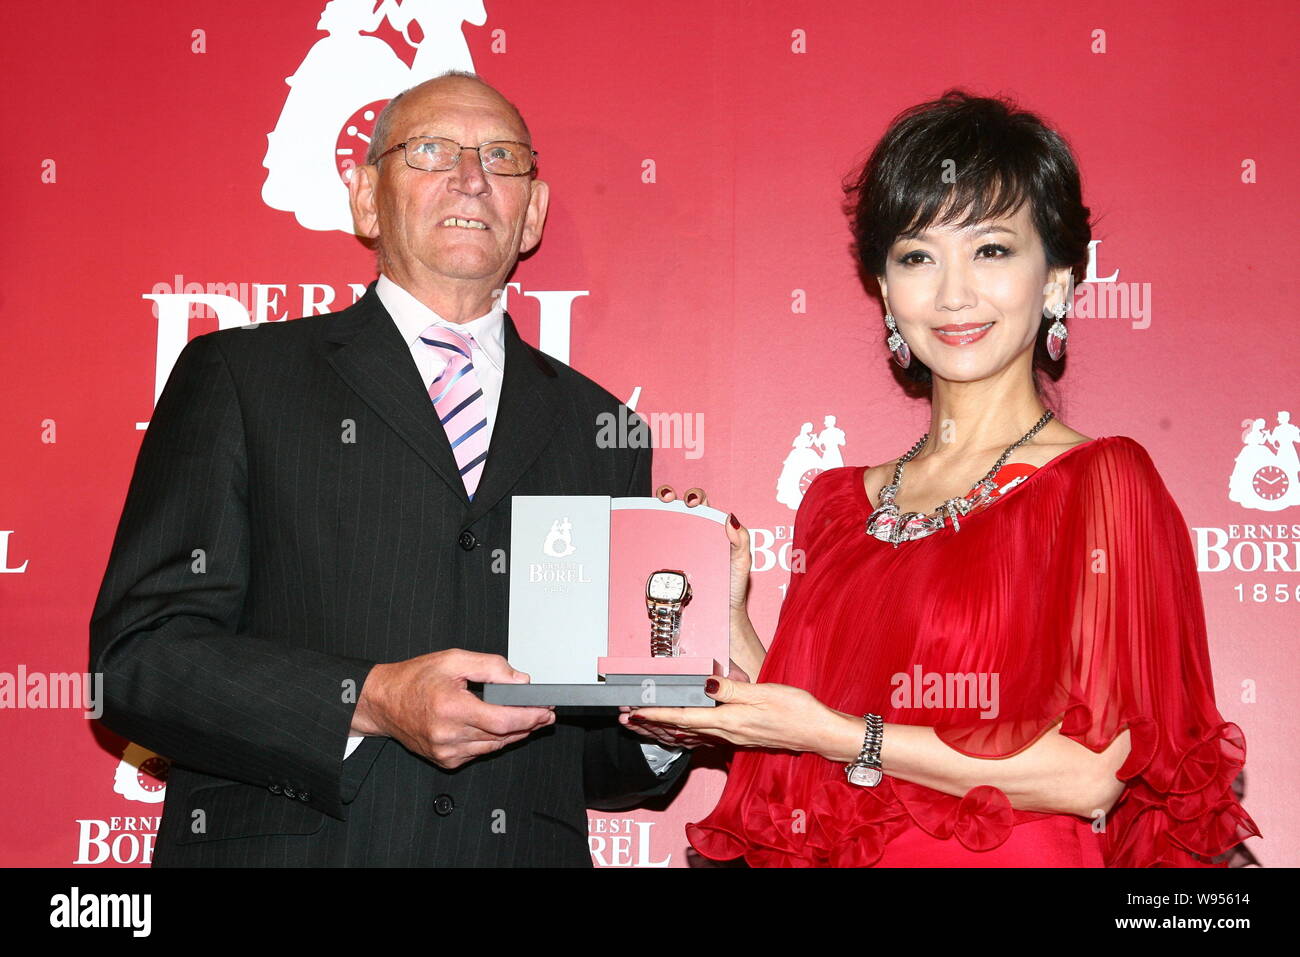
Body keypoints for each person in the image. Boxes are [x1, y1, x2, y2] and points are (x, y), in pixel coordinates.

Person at [628, 90, 1260, 867]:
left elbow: (1094, 772)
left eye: (992, 250)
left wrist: (833, 733)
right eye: (918, 256)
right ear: (887, 293)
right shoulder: (835, 502)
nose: (953, 293)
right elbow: (808, 731)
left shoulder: (1103, 484)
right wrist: (726, 624)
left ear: (1057, 279)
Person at [90, 71, 689, 867]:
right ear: (366, 200)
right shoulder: (239, 377)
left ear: (532, 212)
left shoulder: (605, 429)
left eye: (503, 158)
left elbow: (582, 754)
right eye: (432, 150)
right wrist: (367, 700)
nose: (471, 177)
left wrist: (663, 726)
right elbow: (138, 662)